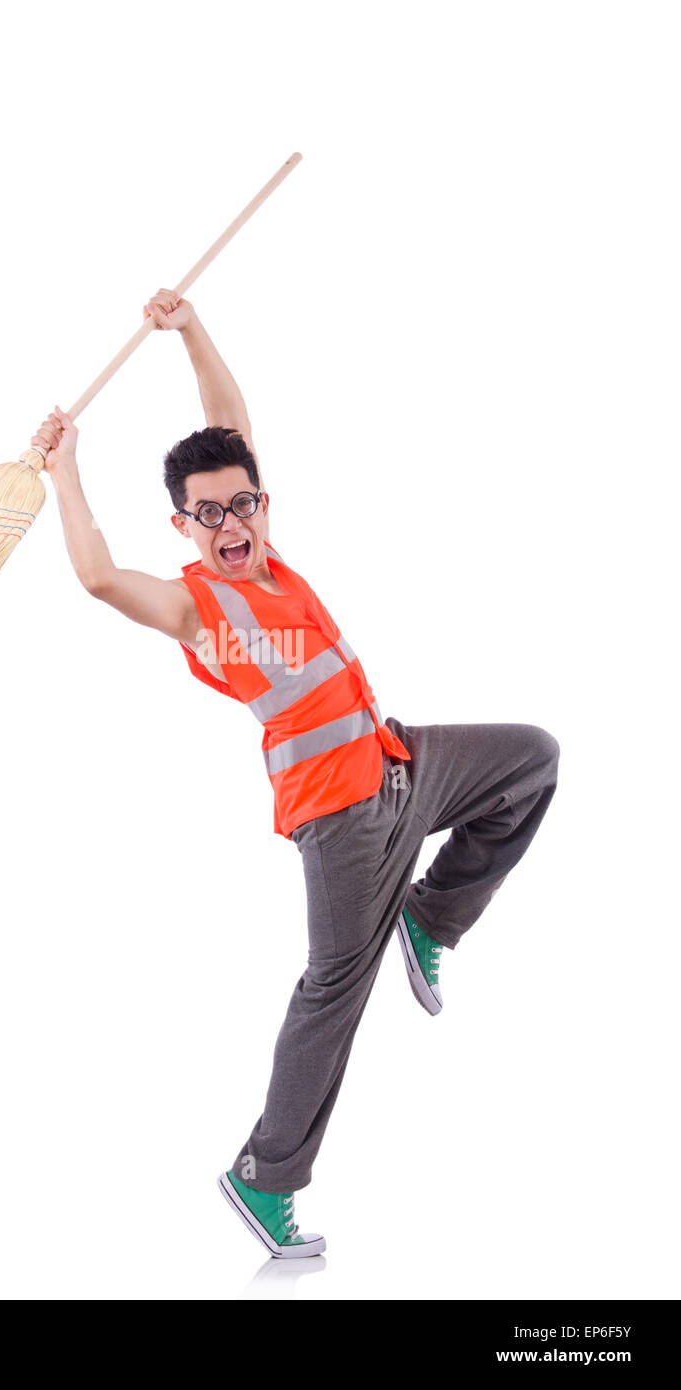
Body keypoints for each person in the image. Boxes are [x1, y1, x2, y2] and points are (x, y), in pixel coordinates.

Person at [31, 289, 561, 1260]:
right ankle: (264, 1178)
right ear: (184, 528)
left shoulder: (274, 559)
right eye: (207, 514)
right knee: (333, 989)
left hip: (402, 761)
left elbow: (226, 417)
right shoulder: (200, 605)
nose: (229, 521)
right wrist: (66, 469)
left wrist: (189, 328)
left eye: (241, 501)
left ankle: (432, 914)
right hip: (343, 817)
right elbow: (101, 576)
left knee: (531, 757)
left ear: (260, 503)